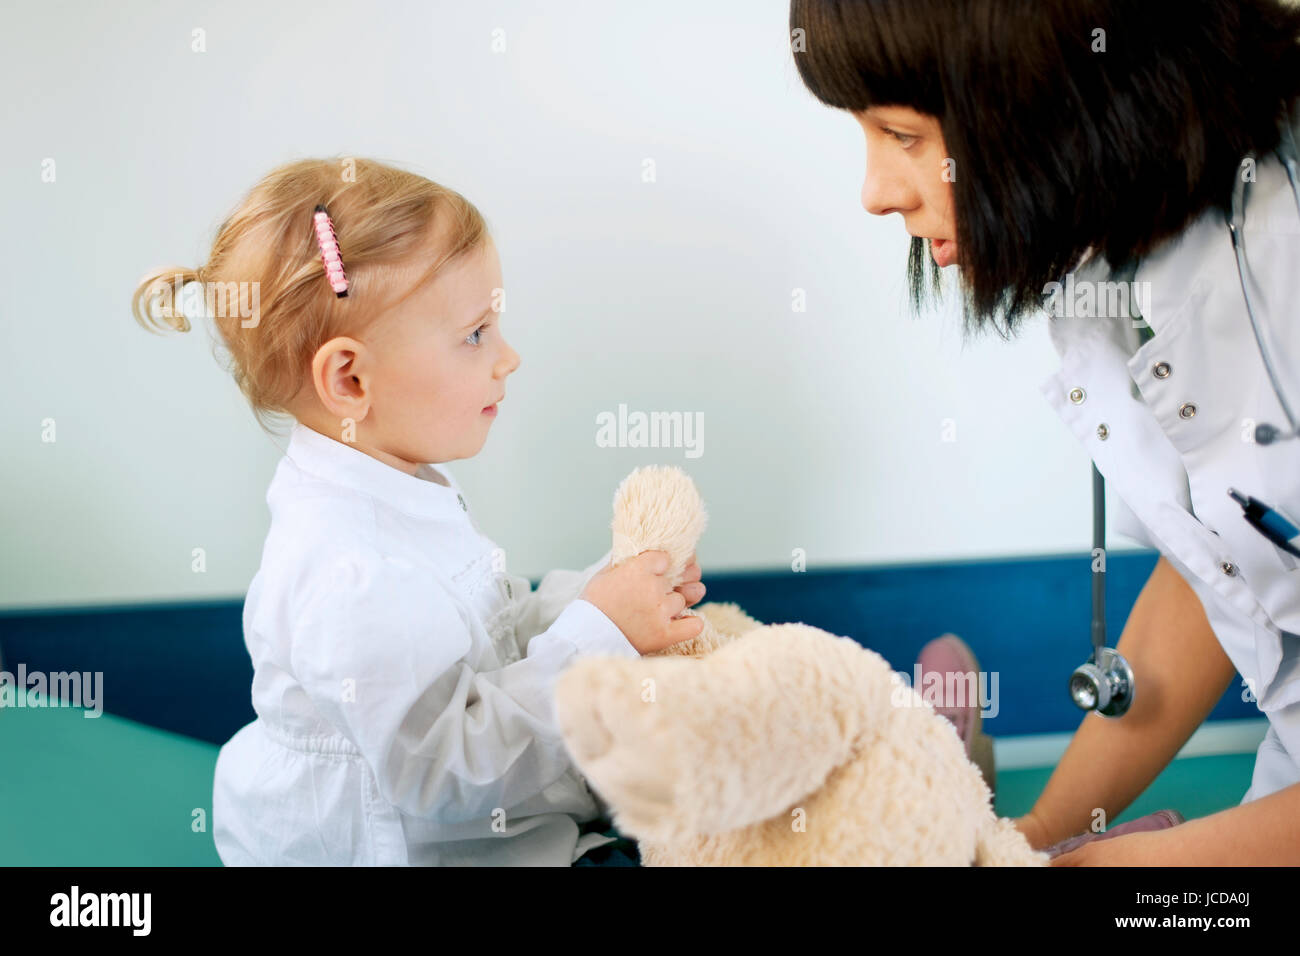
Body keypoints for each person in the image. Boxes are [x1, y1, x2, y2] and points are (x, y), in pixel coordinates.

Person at [790, 0, 1300, 864]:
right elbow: (1228, 570)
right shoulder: (1124, 259)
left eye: (903, 135)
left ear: (1046, 84)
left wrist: (1122, 867)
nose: (875, 192)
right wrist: (1028, 840)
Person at [131, 158, 707, 865]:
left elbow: (486, 636)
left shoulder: (394, 482)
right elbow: (443, 770)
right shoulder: (352, 569)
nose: (509, 357)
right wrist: (599, 632)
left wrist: (602, 599)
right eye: (475, 335)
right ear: (350, 379)